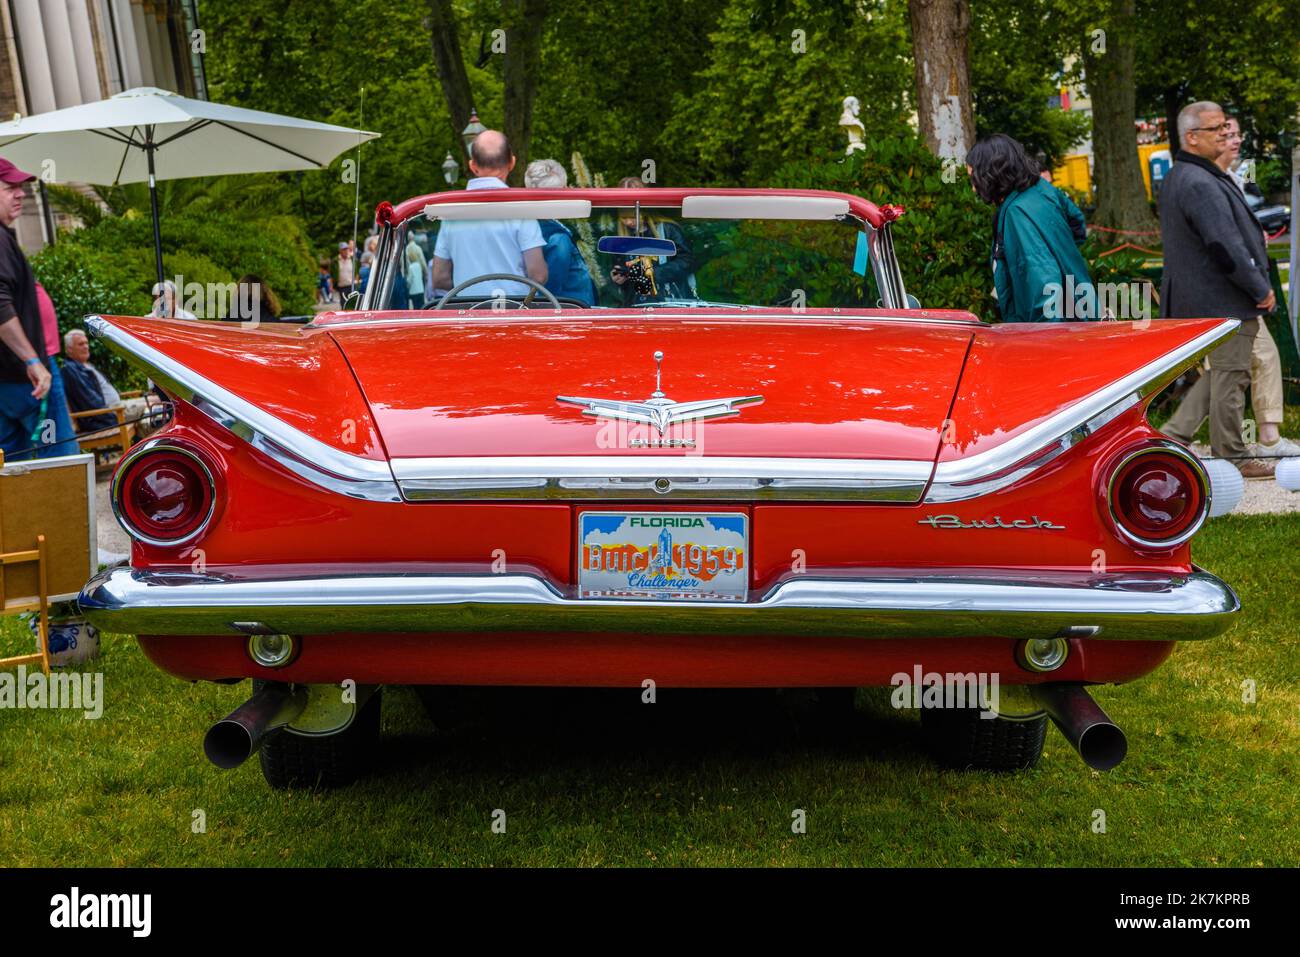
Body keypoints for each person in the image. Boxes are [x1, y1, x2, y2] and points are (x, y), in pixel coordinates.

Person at [1163, 114, 1298, 463]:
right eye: (1219, 131)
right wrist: (1259, 287)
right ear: (1192, 137)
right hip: (1223, 296)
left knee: (1226, 372)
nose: (1227, 137)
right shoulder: (1201, 181)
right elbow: (1224, 244)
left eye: (1231, 131)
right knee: (1232, 374)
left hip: (1215, 295)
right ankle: (1234, 454)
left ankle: (1175, 435)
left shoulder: (1195, 176)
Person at [965, 134, 1097, 322]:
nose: (974, 189)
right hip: (1081, 313)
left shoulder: (1017, 213)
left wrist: (1044, 341)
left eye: (975, 179)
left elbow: (1044, 284)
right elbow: (1075, 221)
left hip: (1055, 334)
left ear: (991, 173)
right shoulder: (1042, 189)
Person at [429, 130, 547, 299]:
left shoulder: (451, 213)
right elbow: (538, 275)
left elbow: (439, 278)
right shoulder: (521, 209)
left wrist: (470, 292)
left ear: (472, 166)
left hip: (468, 313)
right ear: (512, 163)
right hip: (515, 312)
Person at [0, 159, 56, 461]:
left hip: (13, 379)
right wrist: (33, 360)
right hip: (29, 378)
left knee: (12, 467)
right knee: (60, 462)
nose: (20, 194)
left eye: (21, 187)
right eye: (10, 188)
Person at [610, 177, 697, 305]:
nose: (628, 222)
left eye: (633, 216)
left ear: (644, 209)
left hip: (671, 303)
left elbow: (688, 262)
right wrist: (618, 277)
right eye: (624, 217)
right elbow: (621, 271)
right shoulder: (619, 236)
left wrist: (652, 274)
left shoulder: (668, 229)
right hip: (636, 305)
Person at [523, 158, 595, 306]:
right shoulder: (557, 238)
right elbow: (550, 291)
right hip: (573, 310)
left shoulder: (536, 227)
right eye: (565, 187)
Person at [405, 239, 426, 309]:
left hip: (414, 291)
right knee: (422, 307)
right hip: (421, 290)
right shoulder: (419, 265)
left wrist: (406, 284)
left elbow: (410, 280)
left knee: (416, 308)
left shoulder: (411, 267)